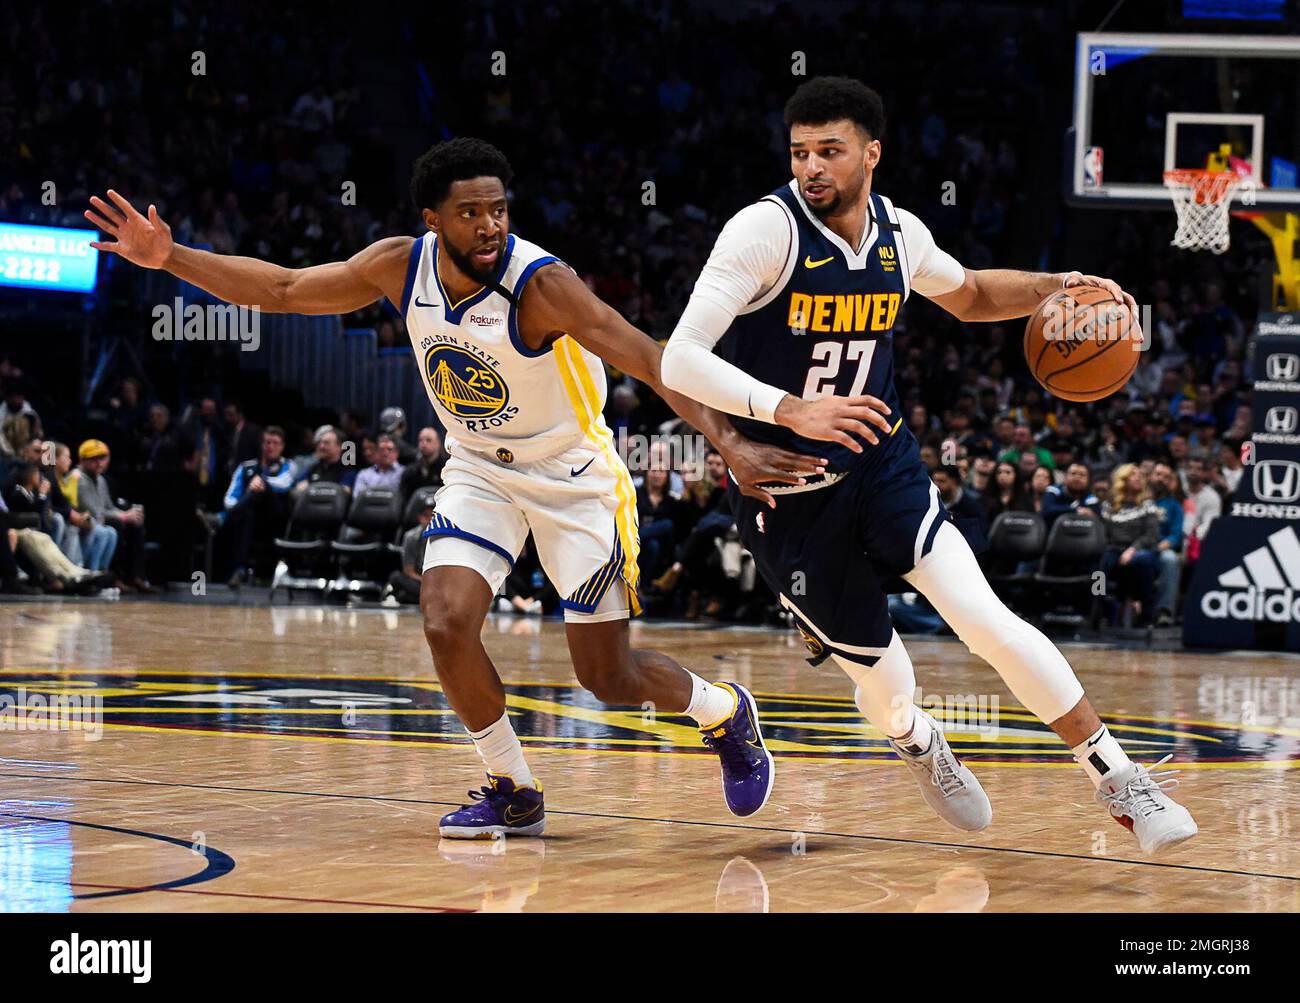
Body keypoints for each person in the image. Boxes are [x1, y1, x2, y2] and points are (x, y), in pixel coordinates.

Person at [86, 137, 818, 839]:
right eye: (470, 212)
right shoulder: (399, 266)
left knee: (607, 676)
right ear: (431, 219)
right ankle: (513, 790)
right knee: (443, 619)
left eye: (498, 208)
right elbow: (282, 289)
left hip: (573, 472)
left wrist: (730, 442)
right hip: (479, 467)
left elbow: (651, 359)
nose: (490, 223)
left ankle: (724, 709)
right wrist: (169, 256)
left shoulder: (542, 285)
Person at [660, 76, 1195, 852]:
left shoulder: (898, 234)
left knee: (985, 619)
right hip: (787, 496)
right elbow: (679, 358)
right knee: (887, 689)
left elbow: (972, 294)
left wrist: (1054, 286)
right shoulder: (762, 232)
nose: (812, 167)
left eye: (830, 151)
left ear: (870, 154)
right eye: (800, 152)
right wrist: (786, 409)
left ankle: (1118, 778)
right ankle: (917, 740)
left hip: (882, 466)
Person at [220, 426, 297, 586]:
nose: (271, 447)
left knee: (260, 490)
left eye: (275, 443)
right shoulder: (246, 467)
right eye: (267, 442)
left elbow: (285, 484)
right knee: (248, 514)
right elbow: (230, 497)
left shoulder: (289, 465)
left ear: (282, 447)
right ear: (261, 445)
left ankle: (221, 518)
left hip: (275, 518)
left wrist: (261, 483)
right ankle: (240, 569)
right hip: (251, 517)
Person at [75, 439, 153, 592]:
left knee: (135, 525)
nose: (99, 463)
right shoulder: (79, 479)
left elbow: (108, 507)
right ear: (82, 460)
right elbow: (94, 511)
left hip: (99, 520)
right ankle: (105, 577)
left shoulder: (100, 479)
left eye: (102, 458)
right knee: (116, 525)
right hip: (84, 523)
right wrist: (124, 516)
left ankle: (134, 575)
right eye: (93, 459)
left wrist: (130, 514)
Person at [1099, 464, 1162, 627]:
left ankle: (1147, 614)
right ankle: (1099, 607)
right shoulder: (1109, 505)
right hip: (1114, 550)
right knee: (1098, 567)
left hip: (1141, 550)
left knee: (1142, 561)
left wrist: (1132, 550)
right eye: (1133, 475)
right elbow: (1104, 534)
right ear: (1123, 479)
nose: (1138, 477)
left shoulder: (1147, 504)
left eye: (1140, 475)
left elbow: (1151, 535)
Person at [1148, 460, 1184, 627]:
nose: (1161, 479)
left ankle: (1165, 611)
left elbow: (1175, 537)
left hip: (1159, 549)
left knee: (1170, 559)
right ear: (1150, 476)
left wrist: (1156, 548)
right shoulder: (1138, 499)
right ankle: (1100, 606)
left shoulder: (1174, 506)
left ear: (1171, 482)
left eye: (1166, 477)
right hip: (1133, 547)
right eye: (1158, 474)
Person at [398, 426, 447, 507]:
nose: (424, 444)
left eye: (428, 440)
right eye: (421, 440)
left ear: (438, 443)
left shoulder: (446, 469)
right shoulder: (410, 472)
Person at [1039, 461, 1099, 527]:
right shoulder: (1054, 491)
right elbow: (1047, 511)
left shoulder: (1090, 499)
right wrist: (1075, 510)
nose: (1077, 478)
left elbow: (1098, 521)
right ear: (1065, 477)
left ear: (1088, 480)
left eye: (1082, 475)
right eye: (1073, 473)